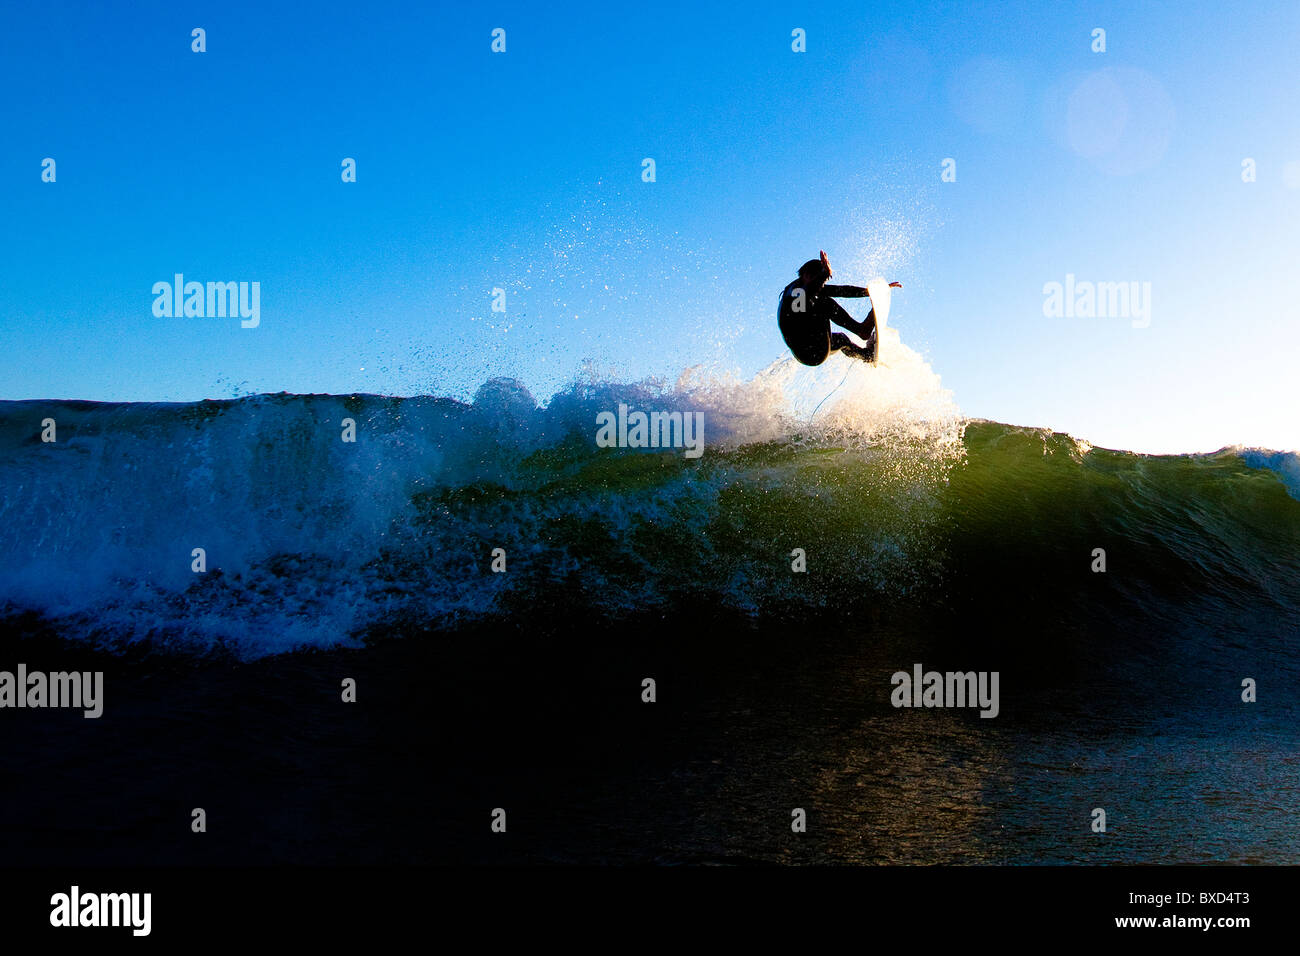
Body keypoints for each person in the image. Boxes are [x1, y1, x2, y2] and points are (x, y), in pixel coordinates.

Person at [777, 250, 901, 366]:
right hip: (809, 351)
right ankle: (861, 330)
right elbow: (799, 320)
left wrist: (871, 292)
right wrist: (825, 274)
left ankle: (867, 356)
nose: (822, 283)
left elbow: (840, 290)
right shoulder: (796, 292)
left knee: (842, 340)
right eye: (818, 278)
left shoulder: (806, 288)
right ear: (806, 275)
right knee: (823, 303)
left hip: (813, 350)